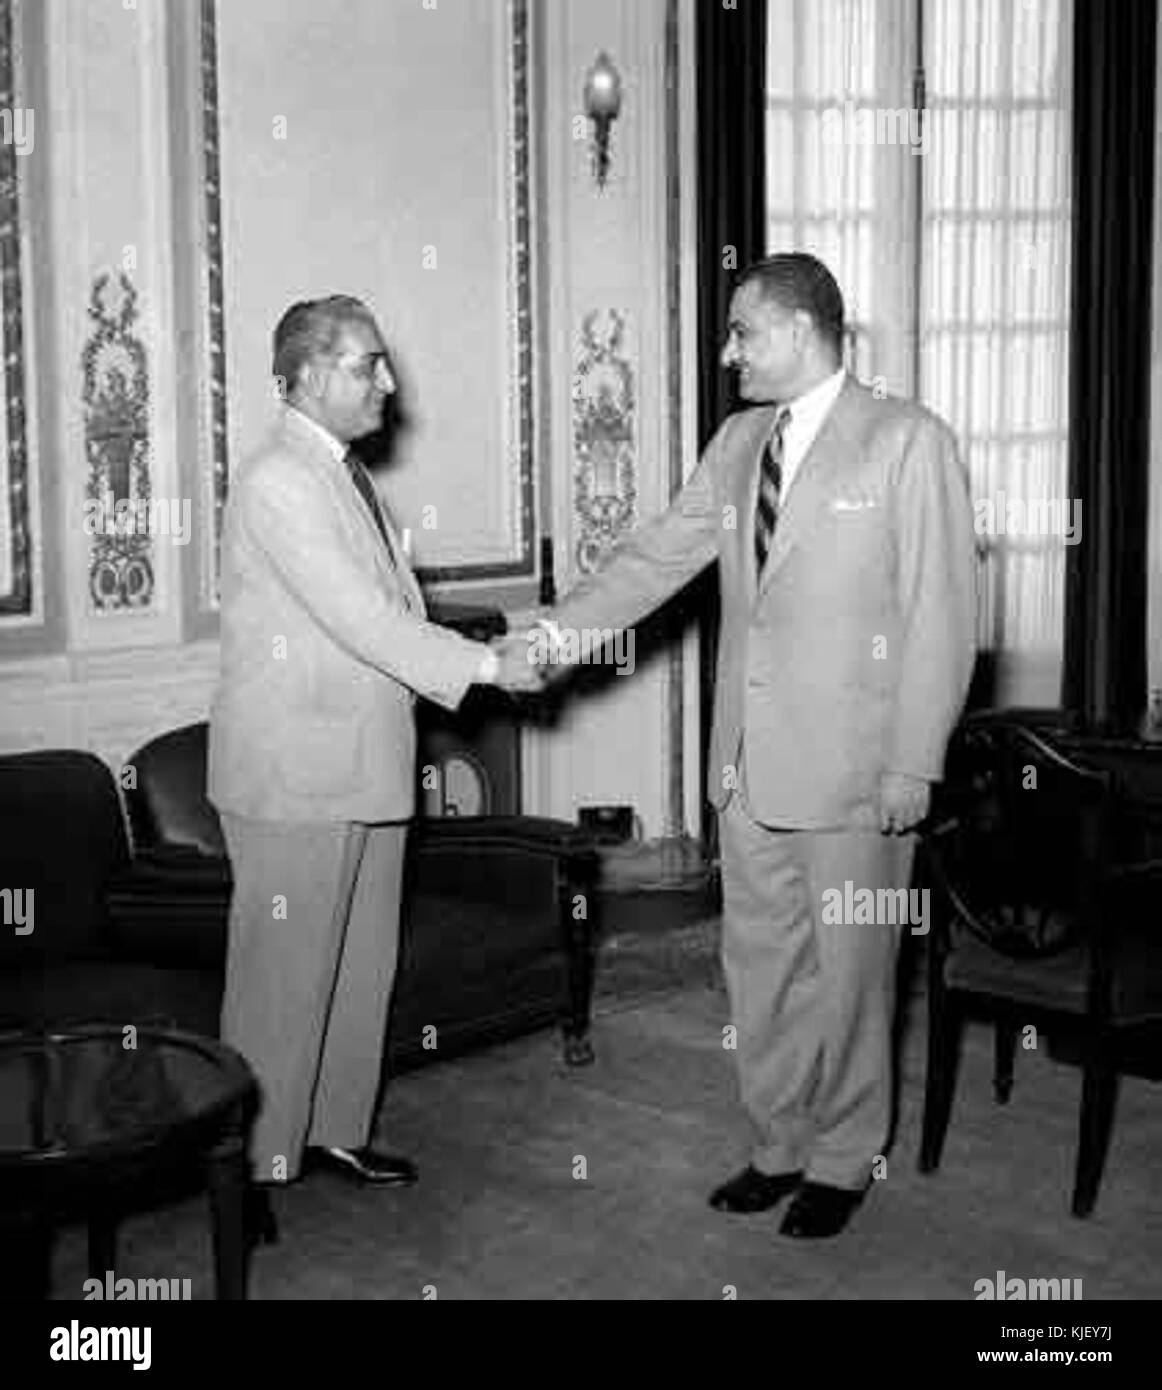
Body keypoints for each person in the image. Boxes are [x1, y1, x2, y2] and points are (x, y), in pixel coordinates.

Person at [510, 254, 977, 1238]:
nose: (727, 354)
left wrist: (913, 761)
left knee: (852, 974)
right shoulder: (734, 444)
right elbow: (654, 558)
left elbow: (941, 613)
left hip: (857, 770)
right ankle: (778, 1145)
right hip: (745, 768)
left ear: (802, 329)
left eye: (741, 333)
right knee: (759, 969)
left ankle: (844, 1160)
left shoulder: (905, 441)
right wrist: (554, 633)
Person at [208, 295, 537, 1228]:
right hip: (293, 774)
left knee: (359, 967)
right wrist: (486, 668)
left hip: (364, 761)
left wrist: (493, 648)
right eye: (367, 365)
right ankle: (256, 1170)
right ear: (308, 375)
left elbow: (393, 611)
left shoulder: (343, 474)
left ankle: (334, 1130)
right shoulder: (277, 479)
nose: (388, 383)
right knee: (281, 978)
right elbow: (357, 617)